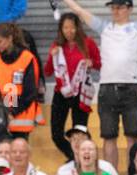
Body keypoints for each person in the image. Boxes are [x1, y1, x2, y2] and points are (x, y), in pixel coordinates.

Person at [61, 0, 137, 172]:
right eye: (113, 8)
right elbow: (79, 10)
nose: (116, 11)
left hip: (131, 88)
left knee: (132, 135)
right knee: (109, 136)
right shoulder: (104, 28)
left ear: (130, 9)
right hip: (108, 89)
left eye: (120, 7)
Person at [46, 12, 101, 163]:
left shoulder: (88, 43)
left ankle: (86, 158)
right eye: (65, 28)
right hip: (61, 93)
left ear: (78, 28)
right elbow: (48, 71)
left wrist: (91, 63)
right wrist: (52, 56)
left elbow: (99, 64)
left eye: (72, 27)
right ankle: (74, 157)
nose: (69, 31)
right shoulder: (57, 45)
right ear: (61, 29)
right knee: (56, 134)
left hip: (80, 93)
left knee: (80, 132)